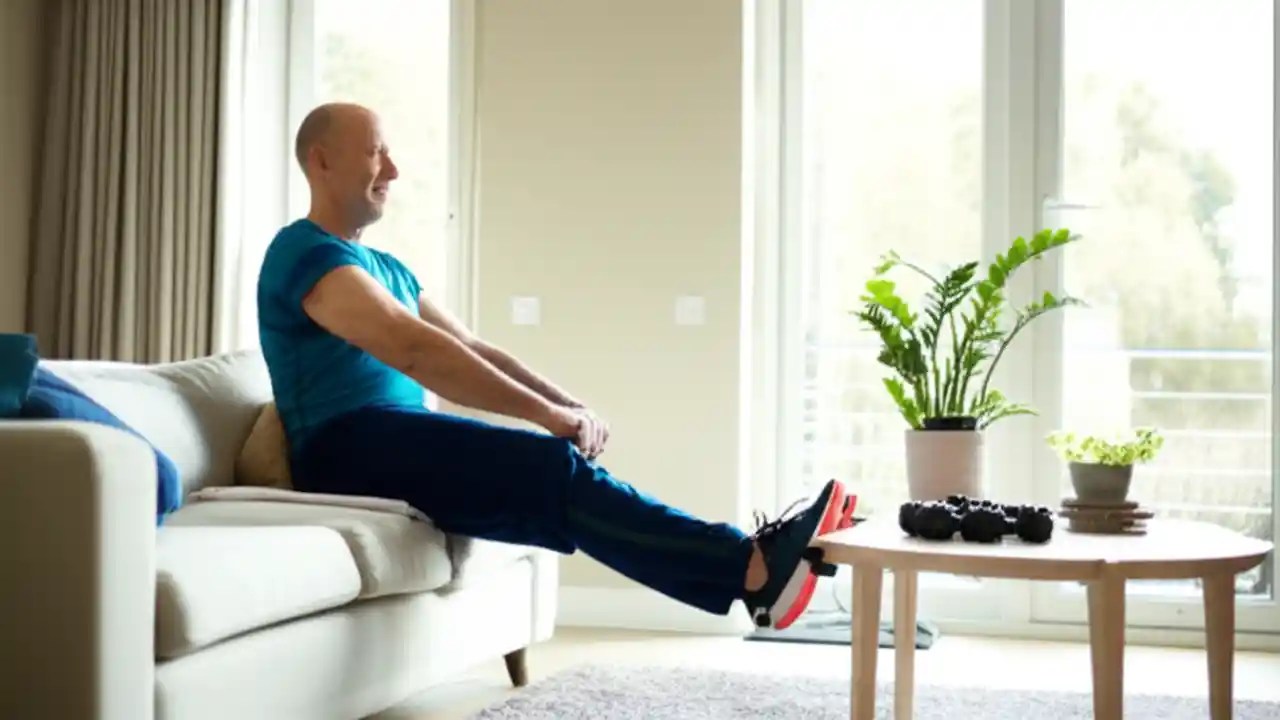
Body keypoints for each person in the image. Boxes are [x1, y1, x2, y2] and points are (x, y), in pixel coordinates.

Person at [256, 102, 852, 630]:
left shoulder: (389, 267)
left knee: (548, 471)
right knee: (545, 468)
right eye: (375, 153)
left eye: (389, 155)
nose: (392, 170)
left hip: (396, 444)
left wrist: (564, 405)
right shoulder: (302, 252)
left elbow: (474, 349)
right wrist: (543, 416)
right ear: (321, 161)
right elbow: (409, 346)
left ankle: (749, 569)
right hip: (346, 451)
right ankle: (749, 569)